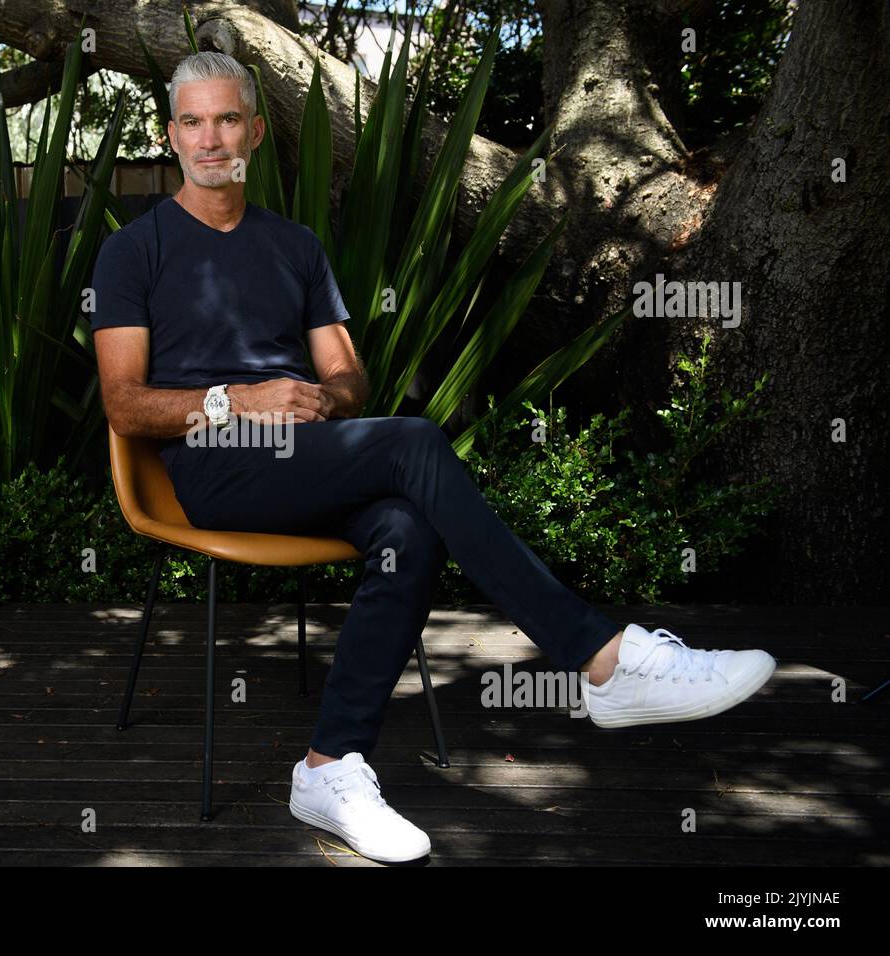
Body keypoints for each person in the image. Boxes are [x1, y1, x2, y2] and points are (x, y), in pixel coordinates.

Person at [88, 51, 776, 864]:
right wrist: (240, 402)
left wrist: (318, 399)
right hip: (214, 466)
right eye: (194, 122)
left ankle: (328, 766)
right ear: (171, 135)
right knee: (413, 439)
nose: (212, 138)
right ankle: (603, 657)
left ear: (257, 132)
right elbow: (124, 405)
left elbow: (348, 376)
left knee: (404, 530)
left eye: (228, 118)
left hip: (306, 454)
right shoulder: (135, 251)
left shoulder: (296, 247)